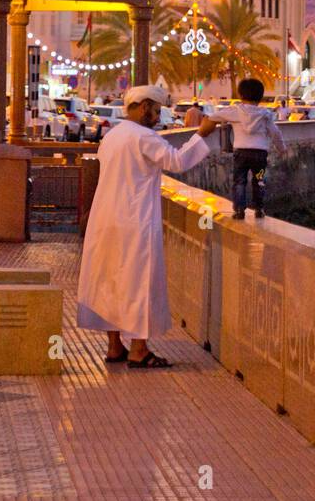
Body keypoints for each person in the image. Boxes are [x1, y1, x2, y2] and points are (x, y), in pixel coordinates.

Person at [77, 85, 218, 368]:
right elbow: (177, 162)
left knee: (109, 281)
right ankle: (139, 350)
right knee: (137, 282)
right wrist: (202, 133)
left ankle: (115, 346)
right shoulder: (144, 137)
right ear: (143, 107)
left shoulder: (113, 136)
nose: (158, 116)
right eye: (156, 110)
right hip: (135, 221)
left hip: (106, 219)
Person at [206, 78, 286, 220]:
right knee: (259, 180)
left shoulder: (235, 111)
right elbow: (275, 133)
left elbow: (213, 117)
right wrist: (282, 149)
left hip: (241, 153)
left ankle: (239, 211)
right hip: (260, 154)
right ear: (260, 97)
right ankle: (259, 209)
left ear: (241, 95)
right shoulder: (265, 115)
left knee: (239, 181)